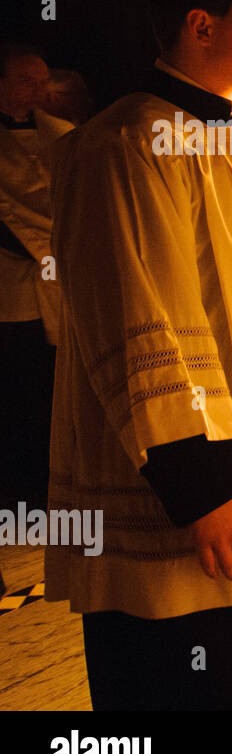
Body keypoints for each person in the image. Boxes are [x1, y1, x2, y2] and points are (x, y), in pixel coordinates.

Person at [45, 0, 232, 709]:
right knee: (172, 680)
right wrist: (204, 485)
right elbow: (134, 317)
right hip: (183, 492)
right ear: (201, 25)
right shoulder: (125, 143)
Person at [0, 44, 73, 510]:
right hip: (11, 286)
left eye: (44, 78)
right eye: (28, 79)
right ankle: (21, 491)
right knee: (20, 387)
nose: (41, 89)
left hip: (61, 280)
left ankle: (59, 483)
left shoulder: (65, 135)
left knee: (55, 387)